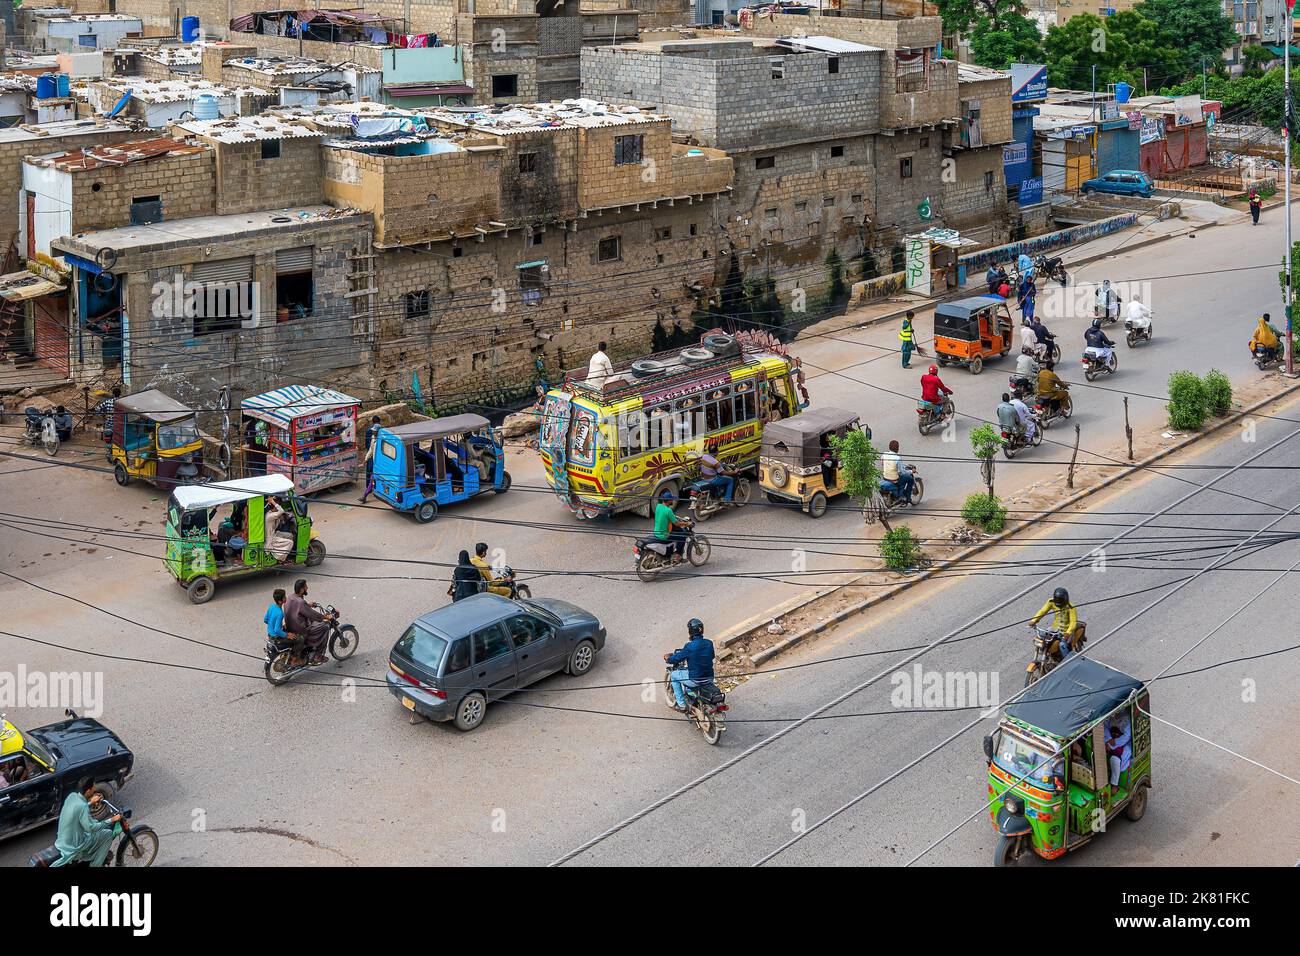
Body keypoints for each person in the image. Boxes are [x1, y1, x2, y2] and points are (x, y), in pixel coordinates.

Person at [52, 778, 121, 867]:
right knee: (107, 834)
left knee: (95, 828)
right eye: (93, 788)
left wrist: (90, 802)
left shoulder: (72, 797)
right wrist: (111, 820)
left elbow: (78, 809)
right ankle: (96, 864)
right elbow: (91, 828)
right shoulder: (83, 807)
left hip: (62, 841)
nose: (94, 790)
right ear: (88, 791)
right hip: (75, 846)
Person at [663, 618, 715, 712]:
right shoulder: (709, 643)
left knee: (674, 675)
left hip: (695, 679)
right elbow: (712, 656)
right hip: (710, 678)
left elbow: (677, 658)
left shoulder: (689, 646)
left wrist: (668, 658)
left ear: (690, 631)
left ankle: (681, 704)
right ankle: (691, 695)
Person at [283, 579, 330, 664]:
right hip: (301, 630)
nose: (307, 588)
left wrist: (308, 605)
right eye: (305, 587)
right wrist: (325, 616)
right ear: (301, 589)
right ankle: (318, 656)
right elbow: (313, 614)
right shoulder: (301, 602)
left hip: (291, 626)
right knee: (325, 627)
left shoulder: (290, 597)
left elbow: (298, 607)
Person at [1030, 587, 1079, 658]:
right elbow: (1043, 611)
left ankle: (1068, 660)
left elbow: (1073, 622)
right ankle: (1047, 653)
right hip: (1054, 628)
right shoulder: (1051, 602)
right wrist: (1033, 620)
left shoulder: (1071, 607)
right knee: (1042, 638)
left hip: (1066, 631)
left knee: (1062, 645)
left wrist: (1068, 633)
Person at [653, 490, 689, 562]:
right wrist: (687, 523)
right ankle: (678, 556)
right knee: (682, 536)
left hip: (656, 532)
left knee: (676, 531)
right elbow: (676, 523)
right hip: (664, 535)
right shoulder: (668, 510)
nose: (673, 500)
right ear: (669, 501)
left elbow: (665, 518)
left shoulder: (658, 506)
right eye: (671, 499)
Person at [879, 439, 915, 505]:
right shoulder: (897, 458)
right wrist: (911, 471)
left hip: (885, 477)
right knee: (910, 479)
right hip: (894, 479)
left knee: (899, 476)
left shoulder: (884, 455)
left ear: (889, 447)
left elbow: (883, 464)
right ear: (897, 449)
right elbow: (903, 472)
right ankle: (907, 497)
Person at [1105, 713, 1133, 796]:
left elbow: (1127, 736)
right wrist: (1108, 739)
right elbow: (1104, 726)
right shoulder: (1110, 715)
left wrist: (1113, 744)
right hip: (1109, 740)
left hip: (1122, 743)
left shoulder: (1126, 719)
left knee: (1115, 759)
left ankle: (1114, 785)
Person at [359, 415, 381, 503]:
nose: (373, 432)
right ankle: (365, 495)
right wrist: (366, 459)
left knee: (374, 477)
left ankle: (366, 495)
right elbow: (371, 449)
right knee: (372, 476)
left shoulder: (382, 439)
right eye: (373, 431)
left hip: (381, 463)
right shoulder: (373, 438)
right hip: (375, 461)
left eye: (375, 431)